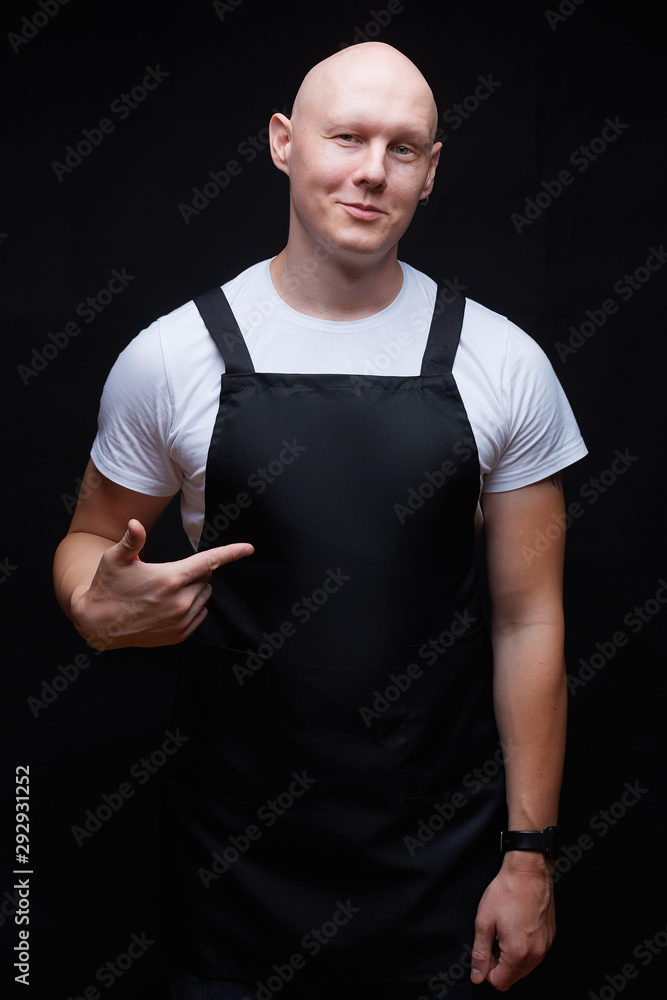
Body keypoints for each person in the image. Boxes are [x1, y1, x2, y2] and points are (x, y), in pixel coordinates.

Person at [54, 42, 587, 1000]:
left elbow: (528, 621)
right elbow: (87, 546)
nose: (371, 171)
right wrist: (96, 607)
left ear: (432, 170)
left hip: (443, 865)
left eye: (403, 147)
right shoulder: (171, 356)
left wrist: (528, 857)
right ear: (283, 144)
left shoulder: (503, 362)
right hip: (234, 863)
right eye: (346, 138)